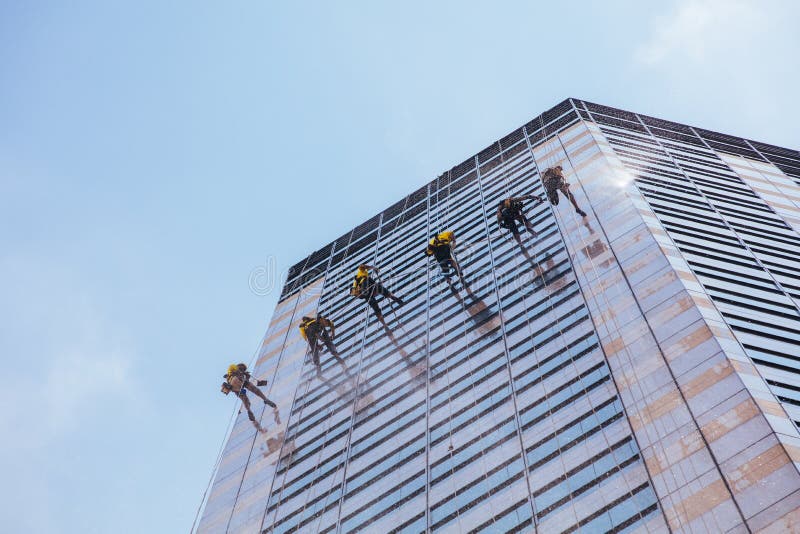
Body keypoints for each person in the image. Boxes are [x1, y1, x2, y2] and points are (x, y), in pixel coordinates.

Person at [220, 363, 276, 433]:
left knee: (245, 400)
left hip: (235, 387)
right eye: (243, 369)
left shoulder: (238, 374)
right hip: (236, 381)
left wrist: (246, 376)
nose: (243, 370)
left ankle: (249, 410)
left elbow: (245, 379)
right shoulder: (233, 368)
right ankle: (265, 399)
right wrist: (243, 373)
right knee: (254, 389)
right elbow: (237, 372)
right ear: (240, 367)